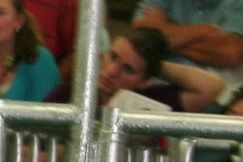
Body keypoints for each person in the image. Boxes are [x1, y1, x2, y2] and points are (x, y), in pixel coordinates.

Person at [44, 27, 226, 113]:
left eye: (128, 69)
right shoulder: (67, 94)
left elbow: (212, 87)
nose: (113, 71)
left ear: (145, 81)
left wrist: (155, 66)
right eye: (113, 57)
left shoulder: (154, 101)